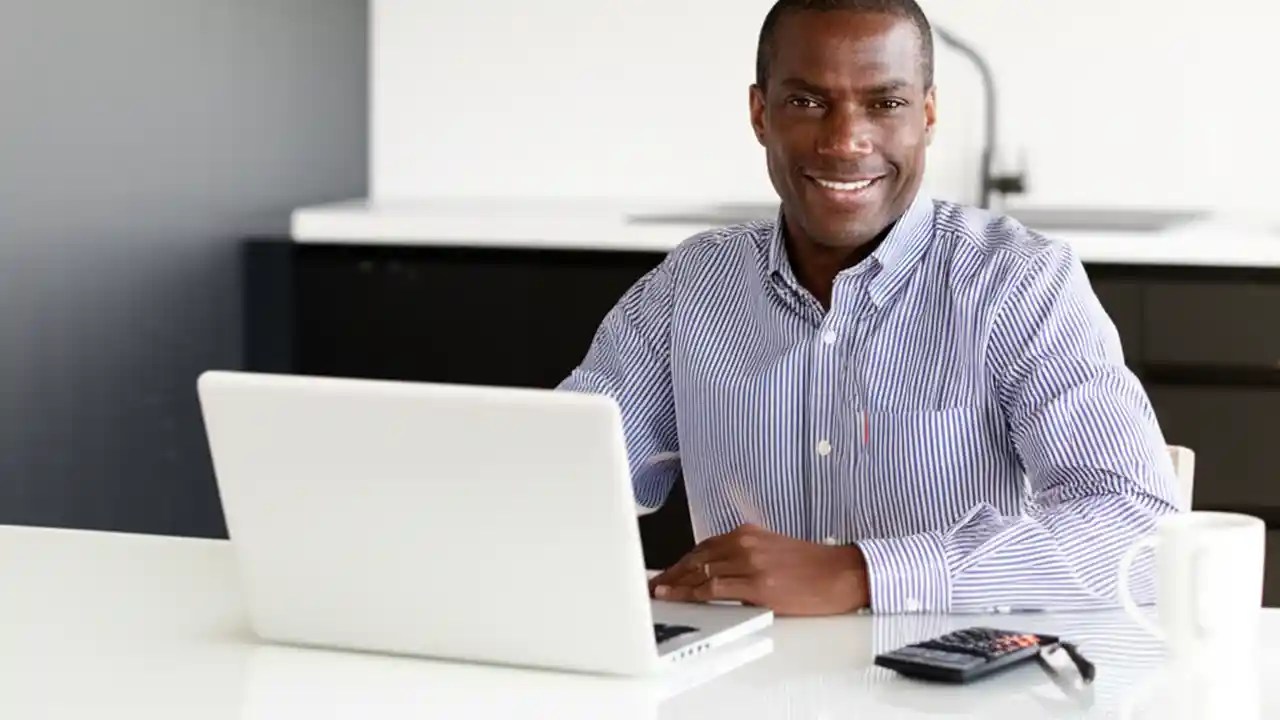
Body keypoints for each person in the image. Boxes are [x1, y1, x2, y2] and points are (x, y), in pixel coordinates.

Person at [557, 0, 1178, 616]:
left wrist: (861, 574)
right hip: (740, 688)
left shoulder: (1019, 282)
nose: (846, 140)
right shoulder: (688, 288)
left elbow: (1140, 534)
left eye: (885, 103)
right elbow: (554, 477)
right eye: (806, 102)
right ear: (759, 113)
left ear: (928, 115)